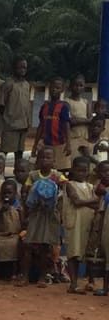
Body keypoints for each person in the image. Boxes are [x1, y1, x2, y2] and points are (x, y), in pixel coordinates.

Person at [19, 146, 66, 287]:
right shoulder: (33, 175)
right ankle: (25, 276)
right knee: (28, 246)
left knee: (46, 249)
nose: (45, 160)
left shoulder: (57, 176)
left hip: (50, 216)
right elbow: (25, 192)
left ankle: (42, 277)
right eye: (42, 157)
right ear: (37, 160)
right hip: (36, 214)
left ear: (54, 161)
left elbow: (65, 188)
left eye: (48, 157)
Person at [63, 156, 98, 293]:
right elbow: (76, 202)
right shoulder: (69, 185)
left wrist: (89, 202)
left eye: (84, 171)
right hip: (74, 224)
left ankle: (91, 281)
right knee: (74, 253)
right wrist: (91, 202)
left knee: (88, 253)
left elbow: (96, 203)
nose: (82, 173)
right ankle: (73, 283)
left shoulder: (90, 186)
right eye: (79, 170)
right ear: (73, 170)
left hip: (87, 223)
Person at [31, 77, 71, 171]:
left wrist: (68, 144)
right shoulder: (44, 106)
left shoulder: (64, 106)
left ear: (62, 90)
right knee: (45, 168)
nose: (54, 90)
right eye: (53, 87)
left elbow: (67, 125)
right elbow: (41, 126)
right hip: (46, 144)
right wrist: (35, 144)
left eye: (57, 88)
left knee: (61, 170)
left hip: (60, 144)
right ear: (49, 88)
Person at [0, 57, 33, 166]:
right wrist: (7, 119)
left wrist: (28, 121)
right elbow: (1, 104)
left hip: (23, 124)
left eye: (25, 67)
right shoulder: (8, 84)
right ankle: (0, 175)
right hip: (10, 125)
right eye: (20, 67)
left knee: (19, 152)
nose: (22, 70)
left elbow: (27, 104)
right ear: (14, 68)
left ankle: (18, 173)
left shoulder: (27, 85)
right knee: (5, 151)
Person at [0, 179, 23, 280]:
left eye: (9, 193)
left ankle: (14, 272)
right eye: (4, 193)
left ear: (15, 193)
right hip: (1, 234)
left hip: (14, 234)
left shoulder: (18, 206)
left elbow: (22, 221)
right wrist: (1, 211)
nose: (6, 195)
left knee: (15, 245)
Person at [87, 161, 109, 295]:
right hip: (100, 224)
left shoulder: (103, 190)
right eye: (104, 171)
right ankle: (93, 281)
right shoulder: (95, 187)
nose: (107, 174)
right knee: (98, 254)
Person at [66, 74, 91, 169]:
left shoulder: (86, 102)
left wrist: (78, 120)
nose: (78, 88)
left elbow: (91, 120)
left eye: (81, 85)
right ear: (71, 87)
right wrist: (85, 121)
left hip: (85, 138)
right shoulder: (67, 102)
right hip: (73, 138)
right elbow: (70, 121)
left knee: (85, 164)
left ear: (84, 87)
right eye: (75, 85)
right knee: (73, 164)